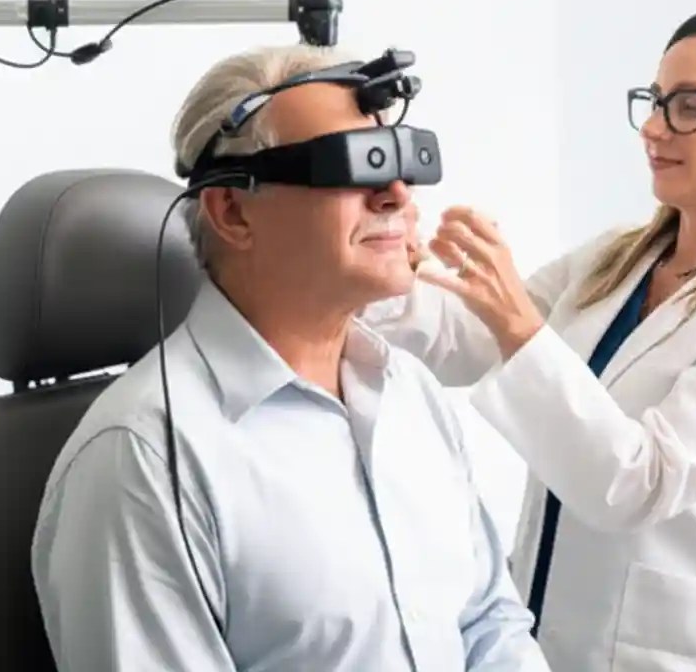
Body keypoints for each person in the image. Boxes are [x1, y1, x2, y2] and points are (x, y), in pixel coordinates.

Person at [363, 5, 696, 671]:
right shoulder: (618, 260)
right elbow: (465, 339)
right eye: (654, 101)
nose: (654, 127)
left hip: (675, 653)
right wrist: (377, 272)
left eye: (688, 105)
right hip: (545, 622)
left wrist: (517, 324)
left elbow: (636, 482)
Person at [30, 43, 551, 672]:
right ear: (233, 211)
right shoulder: (143, 455)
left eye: (400, 164)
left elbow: (488, 621)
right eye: (351, 168)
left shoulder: (409, 393)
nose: (395, 197)